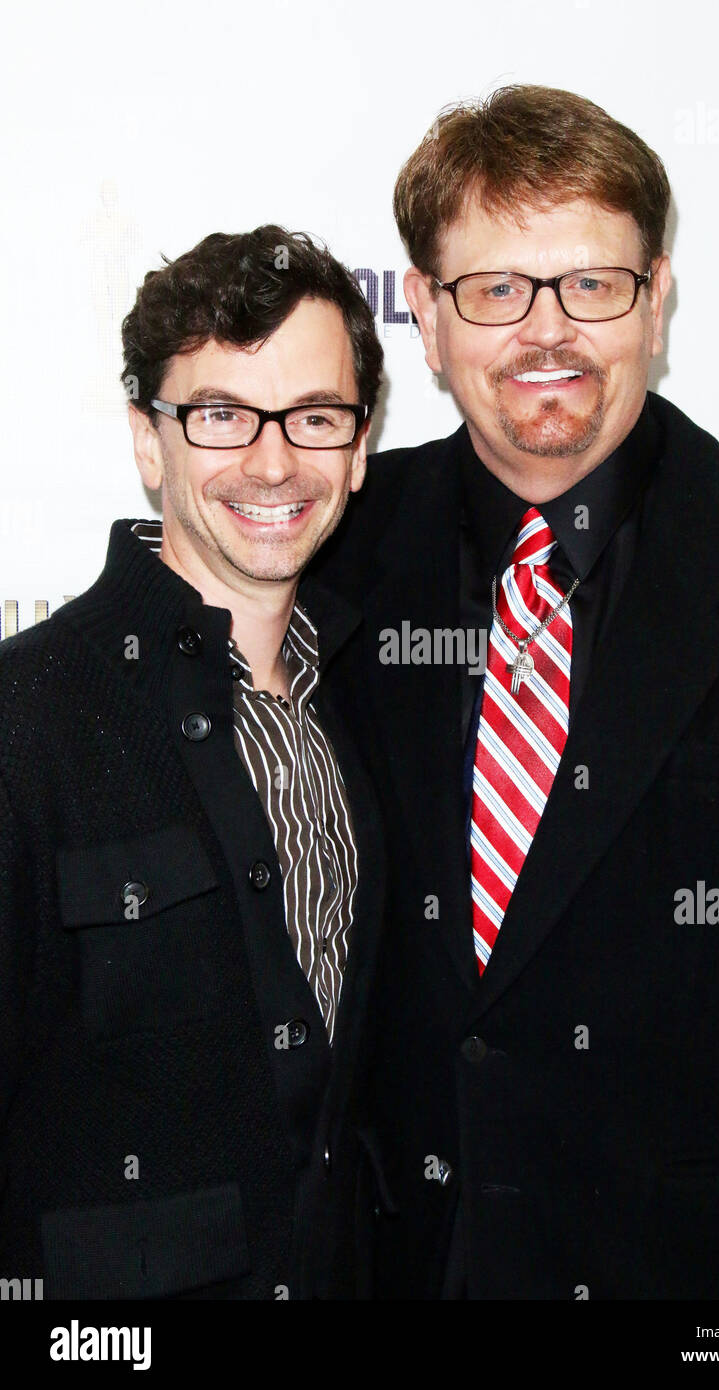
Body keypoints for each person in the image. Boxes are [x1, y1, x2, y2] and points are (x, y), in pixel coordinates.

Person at [309, 85, 719, 1299]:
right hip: (404, 1267)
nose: (545, 332)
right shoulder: (326, 557)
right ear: (424, 312)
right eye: (496, 289)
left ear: (656, 299)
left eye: (591, 285)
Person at [0, 225, 384, 1299]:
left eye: (313, 417)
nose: (272, 462)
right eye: (220, 415)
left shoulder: (364, 706)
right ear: (147, 438)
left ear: (358, 447)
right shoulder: (25, 722)